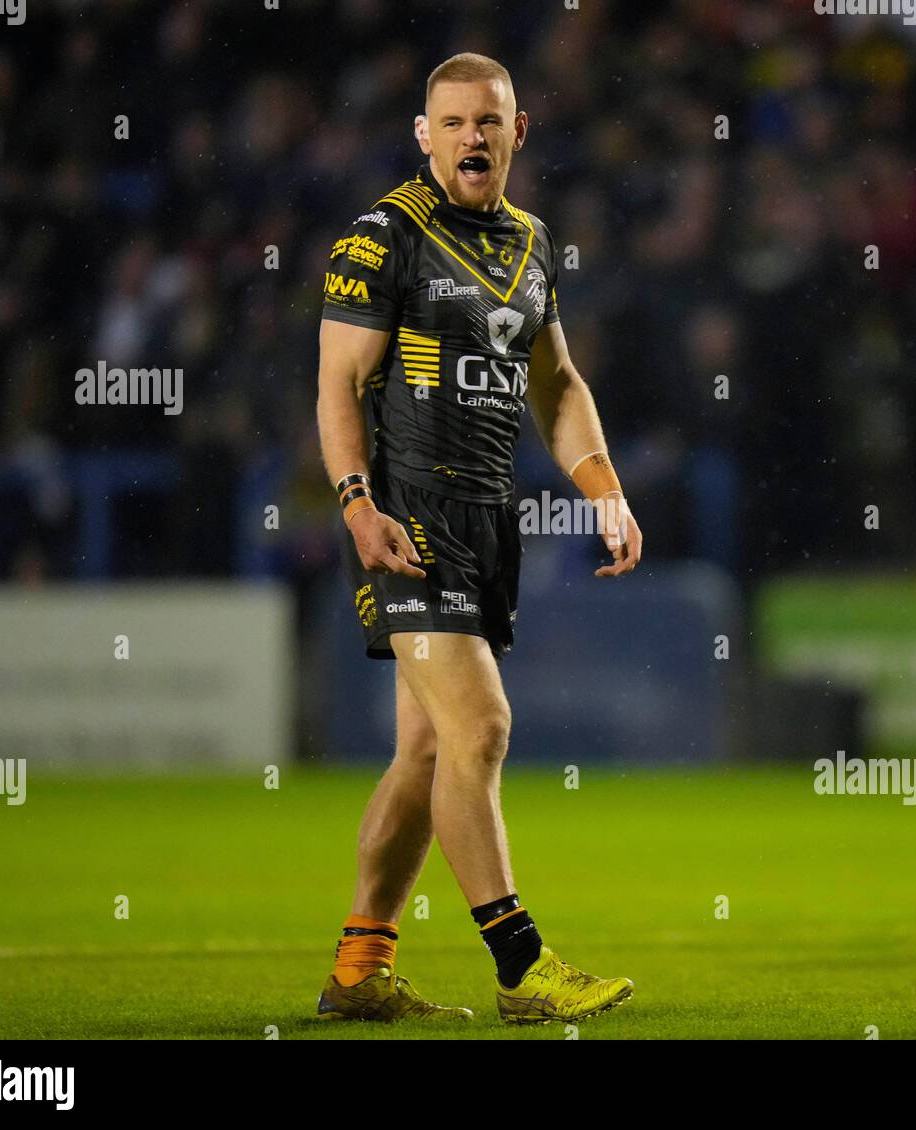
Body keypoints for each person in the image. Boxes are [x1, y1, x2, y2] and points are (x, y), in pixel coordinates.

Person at [313, 53, 642, 1023]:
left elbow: (557, 384)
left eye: (487, 122)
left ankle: (357, 968)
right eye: (451, 122)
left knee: (426, 756)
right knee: (482, 727)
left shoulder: (533, 243)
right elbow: (336, 383)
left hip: (487, 520)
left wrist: (605, 490)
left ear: (517, 131)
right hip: (403, 515)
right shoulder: (383, 238)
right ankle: (521, 965)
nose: (470, 137)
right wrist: (354, 502)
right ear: (424, 135)